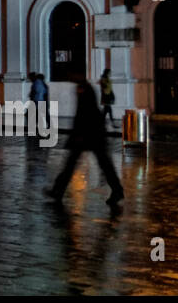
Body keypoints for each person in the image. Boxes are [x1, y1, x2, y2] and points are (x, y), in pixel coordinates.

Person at [48, 76, 124, 208]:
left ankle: (58, 190)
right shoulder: (85, 88)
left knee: (79, 164)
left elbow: (83, 112)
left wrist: (78, 133)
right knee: (78, 163)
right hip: (91, 132)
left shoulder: (84, 89)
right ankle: (58, 190)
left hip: (90, 133)